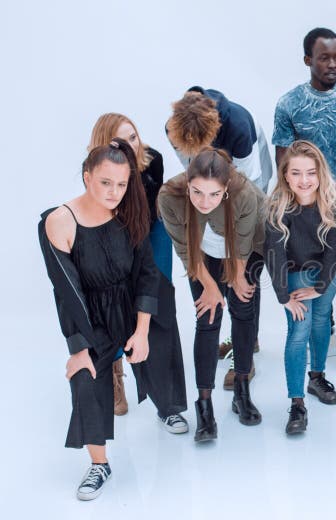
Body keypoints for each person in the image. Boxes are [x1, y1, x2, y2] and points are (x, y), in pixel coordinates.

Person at [39, 139, 158, 500]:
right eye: (105, 182)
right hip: (90, 315)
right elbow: (67, 293)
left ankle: (171, 410)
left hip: (130, 304)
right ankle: (99, 464)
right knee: (85, 378)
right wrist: (79, 348)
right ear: (87, 177)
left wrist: (142, 331)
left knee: (165, 341)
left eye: (121, 184)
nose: (113, 192)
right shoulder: (60, 221)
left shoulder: (129, 213)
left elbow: (147, 275)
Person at [272, 27, 336, 385]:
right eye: (324, 58)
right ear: (308, 60)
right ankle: (325, 332)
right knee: (318, 272)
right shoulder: (289, 104)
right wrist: (290, 209)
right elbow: (283, 162)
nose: (332, 64)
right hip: (306, 208)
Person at [166, 86, 273, 388]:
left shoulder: (238, 126)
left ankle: (246, 350)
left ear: (214, 131)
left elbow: (245, 191)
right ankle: (243, 336)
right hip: (211, 188)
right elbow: (193, 175)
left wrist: (237, 268)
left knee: (245, 268)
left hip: (250, 181)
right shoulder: (173, 127)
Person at [158, 148, 267, 441]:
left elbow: (243, 245)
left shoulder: (244, 194)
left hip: (246, 249)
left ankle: (242, 390)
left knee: (243, 309)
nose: (204, 202)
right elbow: (184, 250)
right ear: (187, 182)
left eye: (214, 195)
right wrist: (210, 287)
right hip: (202, 253)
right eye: (197, 192)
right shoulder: (169, 197)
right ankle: (204, 407)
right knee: (207, 317)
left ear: (226, 188)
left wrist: (238, 279)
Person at [88, 113, 188, 433]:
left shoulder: (152, 159)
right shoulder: (98, 171)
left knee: (159, 305)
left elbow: (153, 207)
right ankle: (114, 369)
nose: (131, 145)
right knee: (116, 305)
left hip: (151, 230)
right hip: (115, 234)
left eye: (133, 137)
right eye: (121, 141)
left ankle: (168, 405)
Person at [264, 141, 336, 434]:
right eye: (296, 173)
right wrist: (284, 296)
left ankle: (317, 377)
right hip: (295, 270)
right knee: (300, 329)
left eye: (311, 172)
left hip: (328, 268)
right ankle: (297, 402)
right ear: (285, 175)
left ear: (320, 173)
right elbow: (274, 252)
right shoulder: (277, 206)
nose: (304, 180)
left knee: (322, 319)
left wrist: (321, 286)